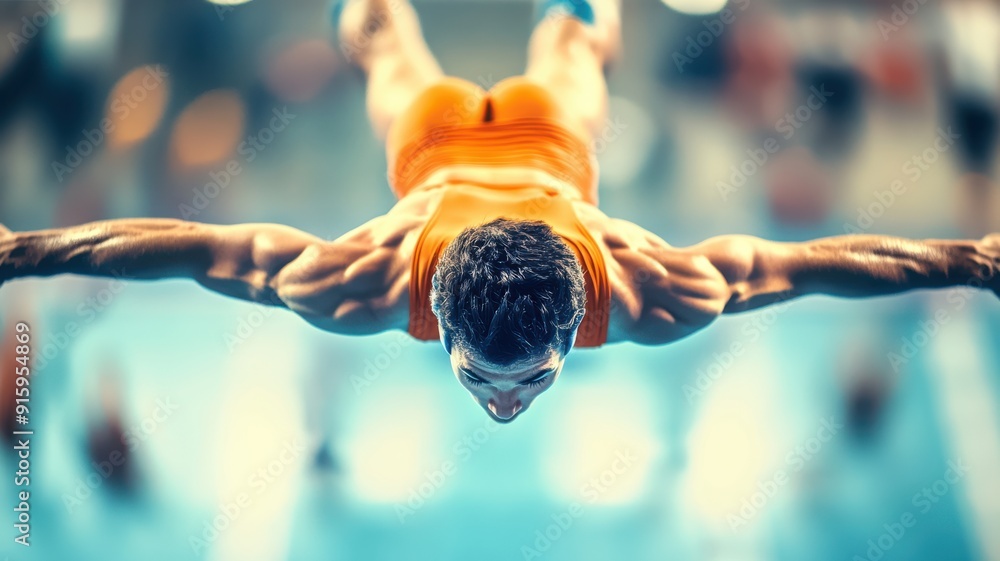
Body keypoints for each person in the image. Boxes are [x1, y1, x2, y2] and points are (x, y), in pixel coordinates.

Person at [1, 0, 998, 424]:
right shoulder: (647, 292)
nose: (507, 403)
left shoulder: (366, 283)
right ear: (439, 320)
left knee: (453, 46)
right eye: (491, 378)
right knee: (421, 44)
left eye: (525, 378)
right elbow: (189, 248)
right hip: (496, 140)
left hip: (497, 140)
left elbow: (193, 251)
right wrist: (25, 250)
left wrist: (974, 262)